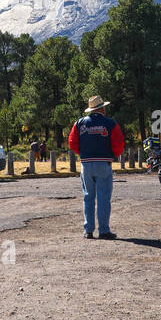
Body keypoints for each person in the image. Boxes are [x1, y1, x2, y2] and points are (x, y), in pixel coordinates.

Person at [67, 95, 125, 239]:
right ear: (102, 108)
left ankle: (88, 230)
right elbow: (119, 143)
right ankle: (104, 230)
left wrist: (84, 153)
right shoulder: (110, 123)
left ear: (91, 109)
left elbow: (72, 142)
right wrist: (113, 155)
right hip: (104, 163)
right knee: (104, 197)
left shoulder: (80, 123)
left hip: (86, 164)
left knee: (88, 197)